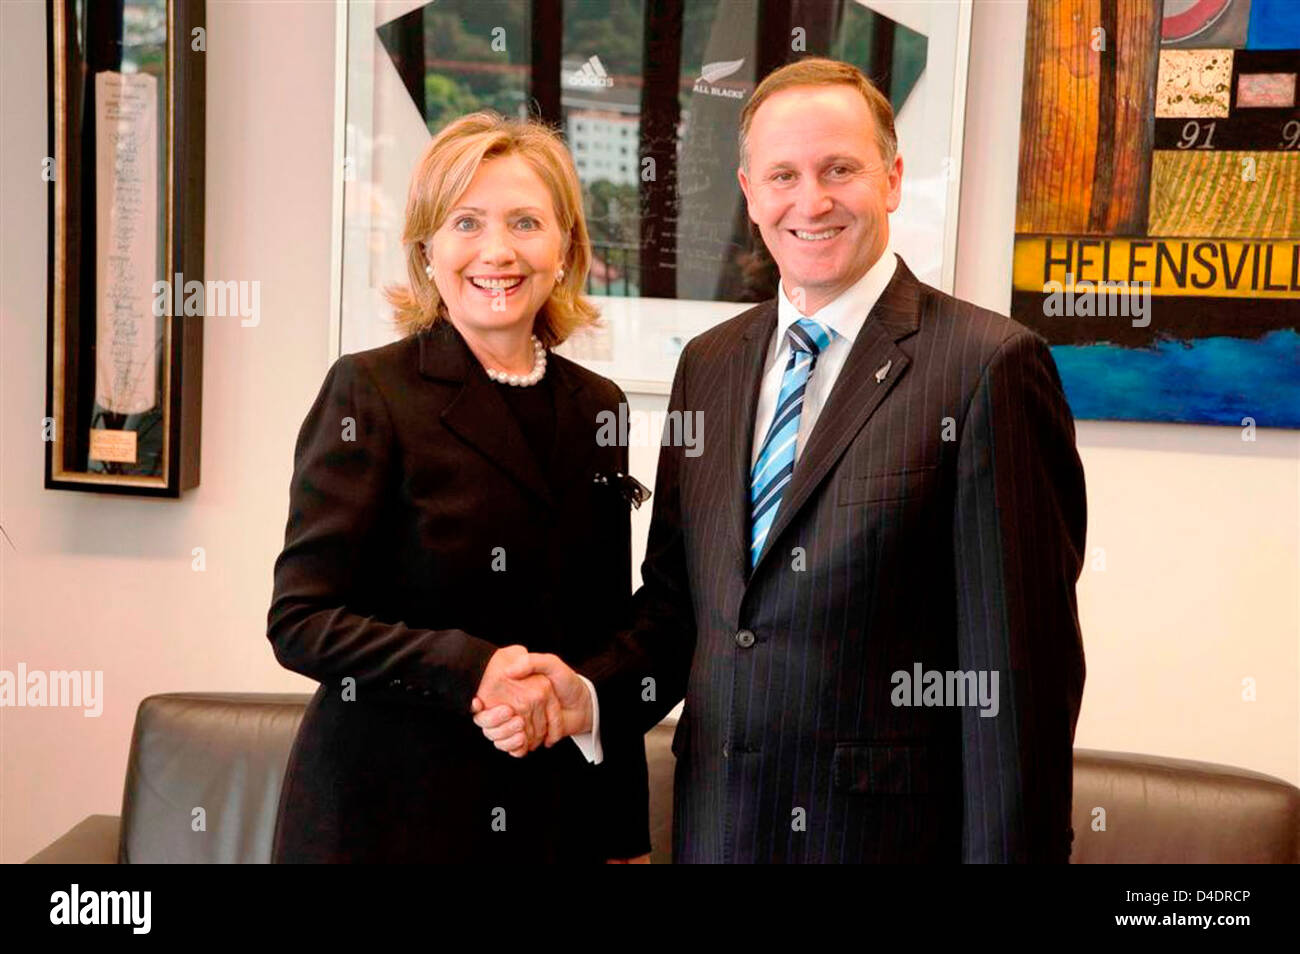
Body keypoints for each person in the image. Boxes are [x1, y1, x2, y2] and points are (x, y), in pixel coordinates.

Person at [475, 58, 1088, 863]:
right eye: (783, 175)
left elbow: (1020, 683)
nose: (812, 201)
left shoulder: (989, 366)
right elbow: (675, 614)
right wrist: (587, 695)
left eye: (840, 169)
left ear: (894, 178)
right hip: (718, 833)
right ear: (749, 191)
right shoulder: (710, 363)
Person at [268, 111, 650, 863]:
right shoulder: (369, 391)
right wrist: (472, 666)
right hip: (384, 814)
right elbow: (301, 621)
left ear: (566, 245)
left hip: (547, 817)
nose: (498, 251)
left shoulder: (599, 406)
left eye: (525, 222)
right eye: (466, 223)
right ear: (428, 248)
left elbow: (610, 637)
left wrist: (623, 833)